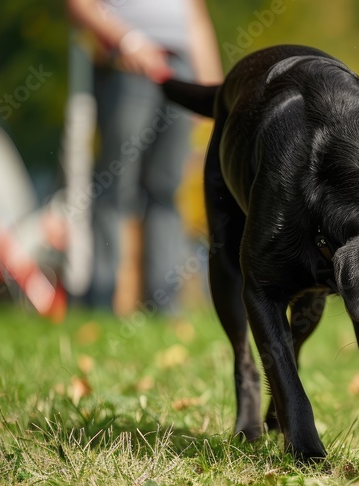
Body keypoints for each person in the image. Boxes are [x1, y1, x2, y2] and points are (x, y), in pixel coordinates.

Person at [67, 0, 222, 314]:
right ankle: (101, 300)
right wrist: (128, 41)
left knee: (167, 189)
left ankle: (165, 306)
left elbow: (195, 17)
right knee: (116, 186)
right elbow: (80, 5)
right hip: (126, 64)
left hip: (180, 68)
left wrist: (212, 93)